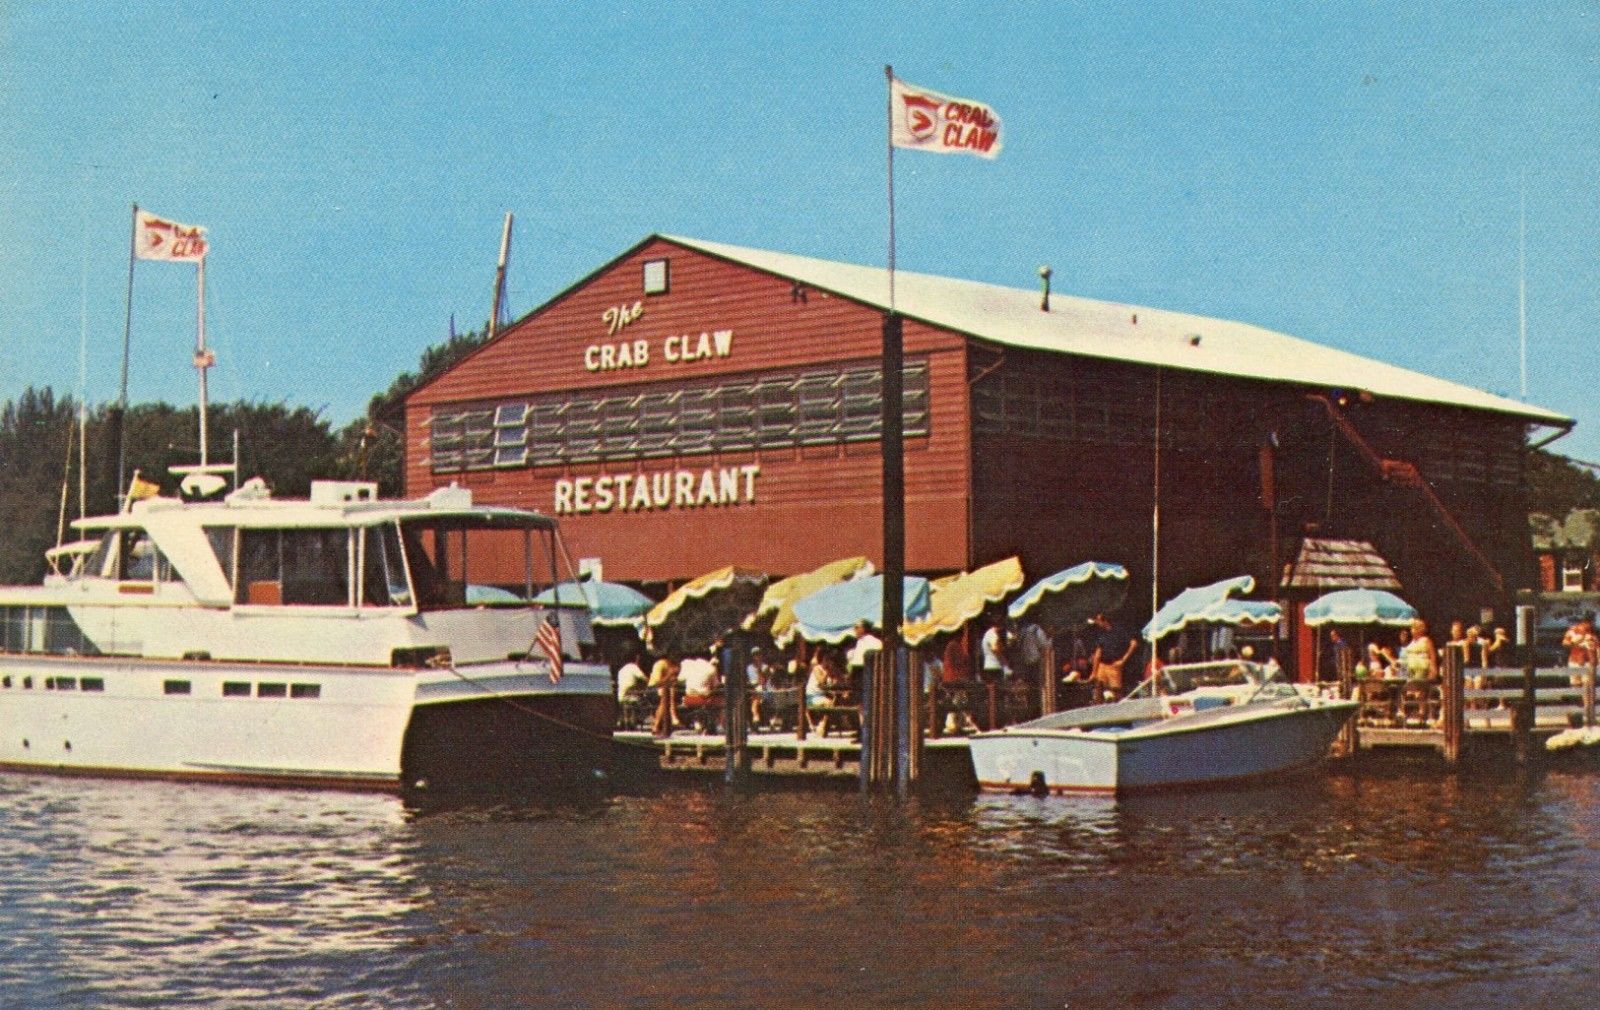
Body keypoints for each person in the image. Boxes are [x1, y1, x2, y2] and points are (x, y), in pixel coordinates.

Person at [1088, 613, 1137, 702]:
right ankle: (1098, 708)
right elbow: (1098, 655)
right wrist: (1094, 672)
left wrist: (1123, 660)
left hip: (1114, 665)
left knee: (1116, 693)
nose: (1097, 624)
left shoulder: (1119, 631)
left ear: (1104, 621)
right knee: (1098, 689)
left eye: (1098, 621)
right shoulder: (1100, 634)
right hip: (1102, 665)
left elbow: (1133, 644)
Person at [648, 653, 681, 737]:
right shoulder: (660, 664)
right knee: (665, 696)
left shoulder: (677, 665)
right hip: (653, 690)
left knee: (670, 691)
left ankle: (670, 717)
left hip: (670, 690)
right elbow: (656, 683)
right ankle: (659, 723)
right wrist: (668, 676)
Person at [980, 615, 1012, 682]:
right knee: (997, 688)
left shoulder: (992, 633)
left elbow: (1011, 637)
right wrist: (1005, 665)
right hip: (994, 666)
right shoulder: (992, 634)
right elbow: (996, 650)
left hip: (992, 665)